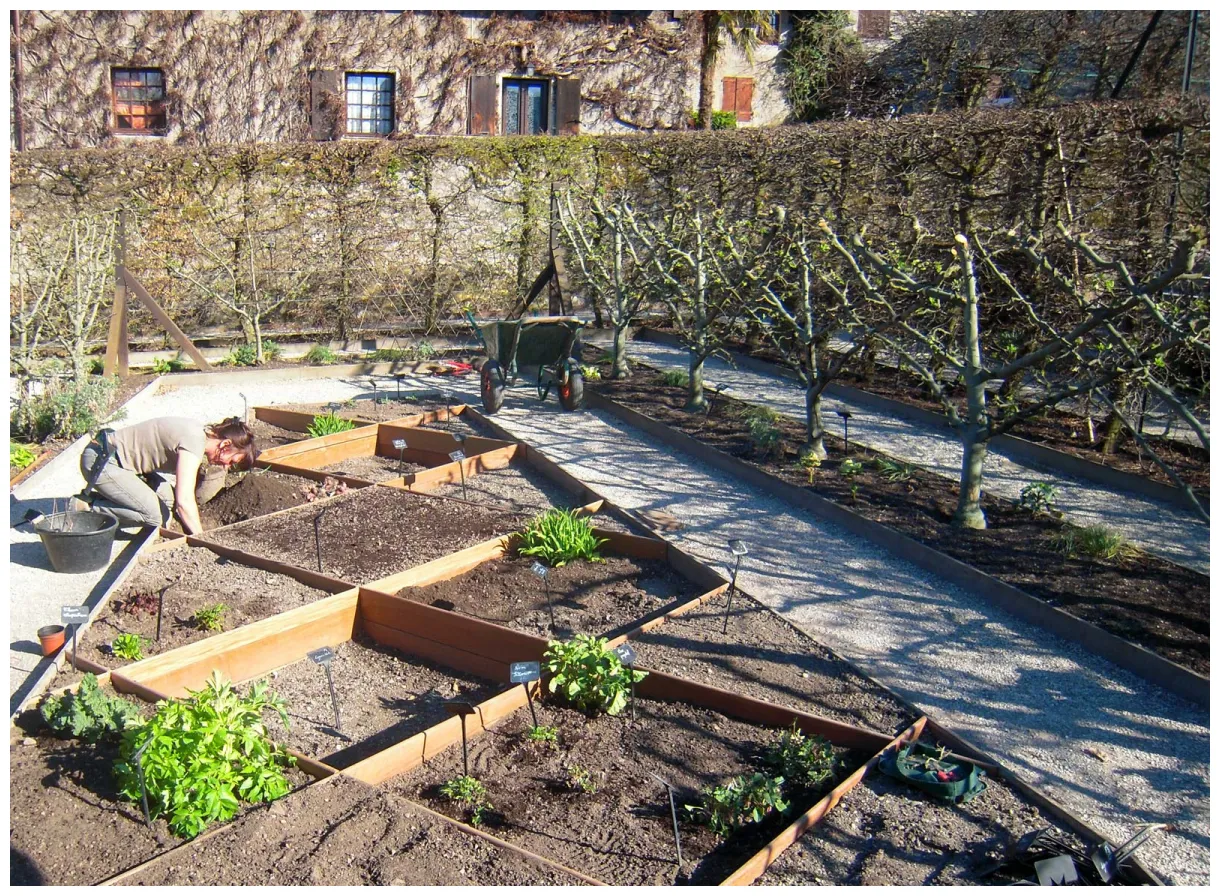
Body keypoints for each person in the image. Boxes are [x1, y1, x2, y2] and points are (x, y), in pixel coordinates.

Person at [77, 416, 256, 534]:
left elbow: (177, 501)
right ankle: (89, 507)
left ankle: (110, 496)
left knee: (167, 502)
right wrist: (202, 539)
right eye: (231, 461)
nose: (226, 466)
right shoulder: (193, 444)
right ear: (225, 444)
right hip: (102, 462)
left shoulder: (199, 434)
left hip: (120, 463)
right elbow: (184, 502)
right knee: (154, 517)